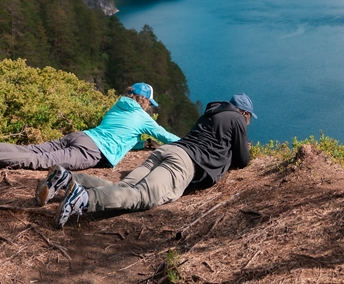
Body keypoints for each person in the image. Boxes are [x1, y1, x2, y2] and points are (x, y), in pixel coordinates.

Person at [46, 93, 255, 229]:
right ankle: (82, 199)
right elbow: (242, 159)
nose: (247, 121)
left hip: (167, 151)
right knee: (141, 196)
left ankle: (67, 178)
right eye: (248, 117)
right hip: (183, 163)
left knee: (124, 188)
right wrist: (245, 147)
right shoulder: (236, 118)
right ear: (244, 113)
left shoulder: (210, 115)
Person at [0, 83, 180, 188]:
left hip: (81, 136)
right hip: (91, 150)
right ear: (145, 101)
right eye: (150, 103)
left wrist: (142, 144)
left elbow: (121, 135)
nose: (150, 107)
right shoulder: (144, 118)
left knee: (31, 150)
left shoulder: (118, 106)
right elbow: (169, 137)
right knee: (37, 161)